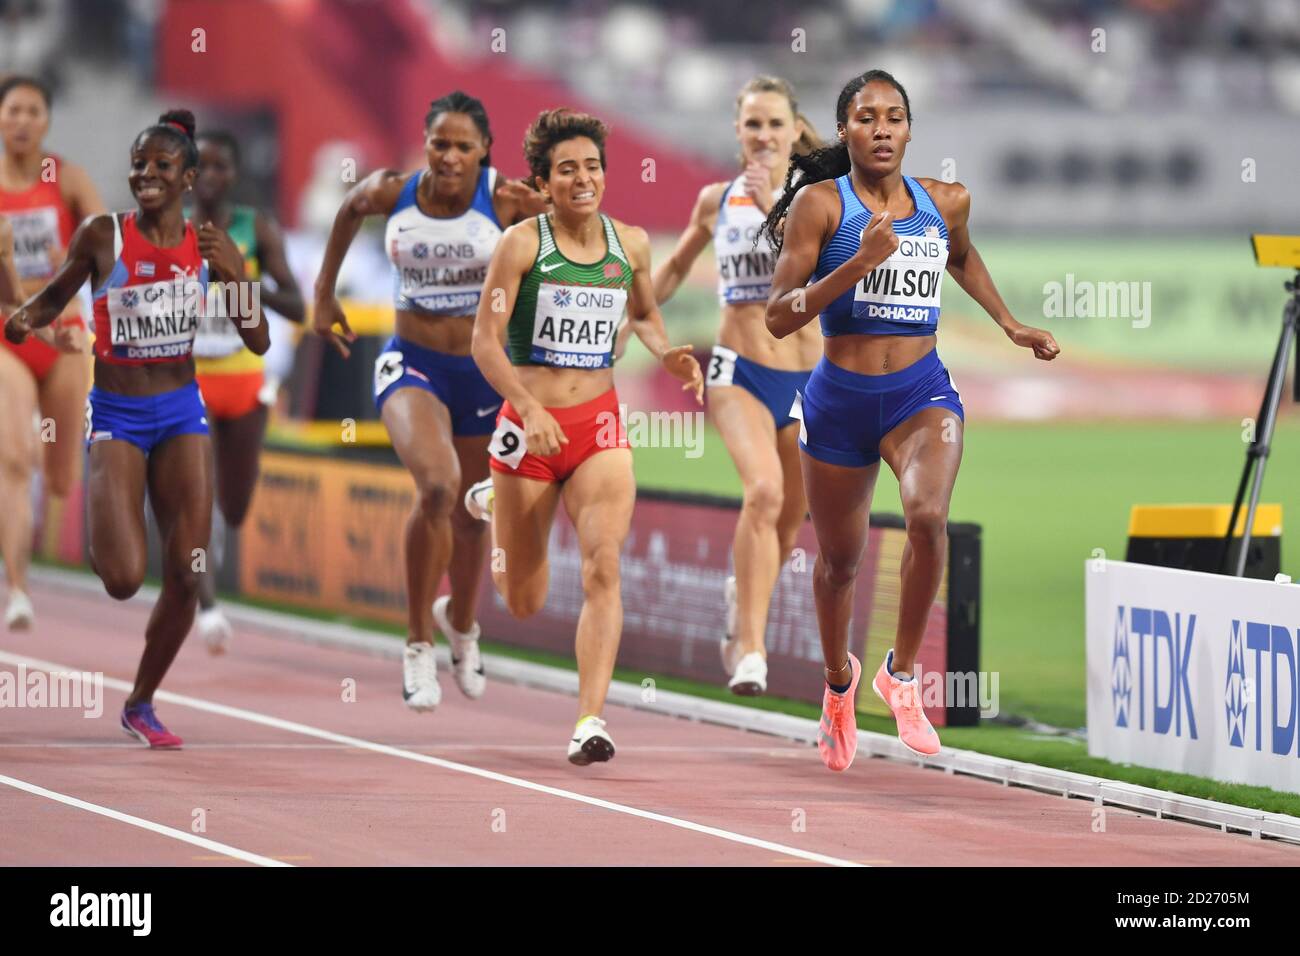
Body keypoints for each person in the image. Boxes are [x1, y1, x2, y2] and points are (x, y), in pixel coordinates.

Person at [763, 70, 1059, 770]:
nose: (883, 129)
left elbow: (959, 256)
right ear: (845, 131)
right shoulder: (819, 207)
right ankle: (840, 686)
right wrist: (857, 265)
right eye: (867, 117)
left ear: (911, 128)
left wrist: (1010, 324)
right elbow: (779, 317)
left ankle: (898, 675)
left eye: (895, 116)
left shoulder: (945, 201)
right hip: (838, 399)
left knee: (927, 519)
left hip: (919, 395)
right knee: (839, 563)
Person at [4, 110, 268, 748]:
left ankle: (142, 703)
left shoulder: (209, 247)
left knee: (186, 568)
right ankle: (115, 552)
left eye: (161, 167)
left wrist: (235, 271)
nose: (145, 175)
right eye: (138, 164)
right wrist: (19, 321)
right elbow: (50, 299)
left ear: (188, 178)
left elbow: (257, 340)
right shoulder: (104, 236)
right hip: (118, 417)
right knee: (123, 577)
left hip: (181, 413)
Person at [466, 108, 704, 765]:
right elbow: (484, 341)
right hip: (527, 430)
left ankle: (591, 720)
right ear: (543, 180)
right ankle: (495, 507)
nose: (583, 178)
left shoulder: (629, 245)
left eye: (593, 167)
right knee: (522, 600)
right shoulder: (520, 245)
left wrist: (666, 353)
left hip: (598, 424)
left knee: (604, 564)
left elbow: (646, 313)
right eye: (567, 169)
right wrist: (525, 406)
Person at [313, 91, 546, 712]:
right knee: (438, 488)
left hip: (480, 371)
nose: (448, 157)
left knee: (472, 514)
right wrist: (323, 293)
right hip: (412, 362)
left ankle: (462, 627)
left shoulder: (507, 200)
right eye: (438, 143)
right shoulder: (393, 192)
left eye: (462, 146)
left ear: (484, 152)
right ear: (424, 145)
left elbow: (567, 232)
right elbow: (348, 208)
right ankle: (417, 643)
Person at [652, 75, 821, 696]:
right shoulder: (715, 201)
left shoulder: (822, 199)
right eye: (753, 124)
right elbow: (674, 266)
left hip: (810, 378)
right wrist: (632, 317)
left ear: (796, 129)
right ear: (738, 132)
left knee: (790, 517)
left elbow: (831, 270)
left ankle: (740, 601)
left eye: (776, 123)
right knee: (763, 491)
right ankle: (751, 648)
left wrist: (779, 201)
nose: (765, 135)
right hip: (739, 368)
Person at [187, 130, 305, 652]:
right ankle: (207, 604)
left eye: (220, 166)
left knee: (234, 506)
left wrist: (241, 280)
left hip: (245, 382)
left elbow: (299, 306)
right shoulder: (167, 229)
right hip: (188, 383)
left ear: (233, 174)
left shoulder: (255, 229)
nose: (210, 175)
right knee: (198, 496)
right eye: (201, 166)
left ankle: (208, 587)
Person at [0, 74, 104, 628]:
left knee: (61, 477)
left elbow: (108, 245)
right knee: (15, 459)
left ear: (46, 121)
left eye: (31, 111)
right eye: (11, 110)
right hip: (8, 335)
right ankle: (18, 590)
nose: (20, 121)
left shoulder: (65, 180)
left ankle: (39, 538)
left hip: (64, 336)